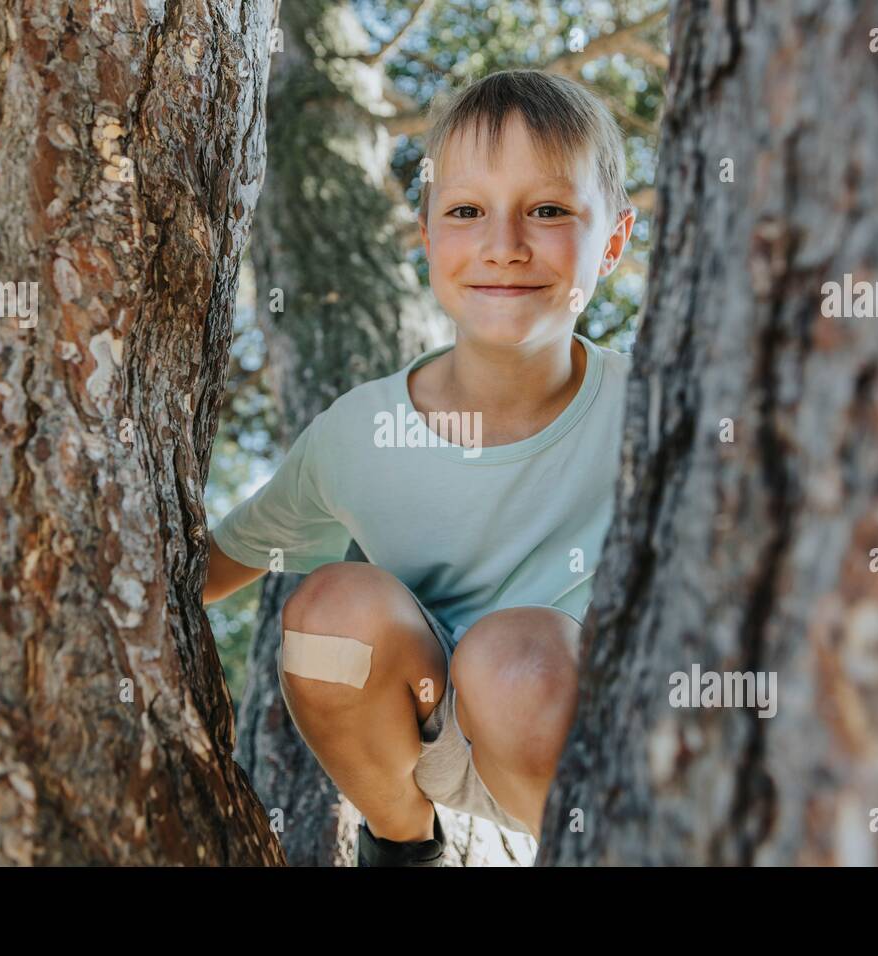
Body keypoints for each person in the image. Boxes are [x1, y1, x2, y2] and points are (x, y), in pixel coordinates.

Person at [203, 69, 637, 866]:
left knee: (516, 660)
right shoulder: (361, 437)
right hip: (430, 731)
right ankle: (404, 845)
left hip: (585, 742)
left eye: (548, 210)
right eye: (467, 211)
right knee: (331, 609)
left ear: (613, 241)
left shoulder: (652, 414)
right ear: (429, 233)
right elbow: (212, 566)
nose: (504, 246)